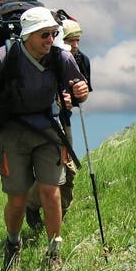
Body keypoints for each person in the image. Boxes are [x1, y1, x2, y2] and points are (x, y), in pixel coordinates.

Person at [0, 6, 90, 271]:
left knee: (51, 193)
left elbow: (80, 91)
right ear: (28, 35)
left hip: (48, 130)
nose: (50, 39)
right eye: (44, 34)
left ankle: (54, 253)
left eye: (53, 33)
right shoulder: (1, 58)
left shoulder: (61, 58)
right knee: (17, 199)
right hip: (11, 133)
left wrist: (81, 91)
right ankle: (13, 244)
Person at [25, 18, 92, 229]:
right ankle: (32, 205)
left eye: (78, 40)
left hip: (64, 121)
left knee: (66, 172)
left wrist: (75, 98)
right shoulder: (48, 58)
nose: (75, 45)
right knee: (55, 173)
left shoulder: (80, 60)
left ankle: (57, 219)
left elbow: (82, 96)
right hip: (44, 123)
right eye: (71, 40)